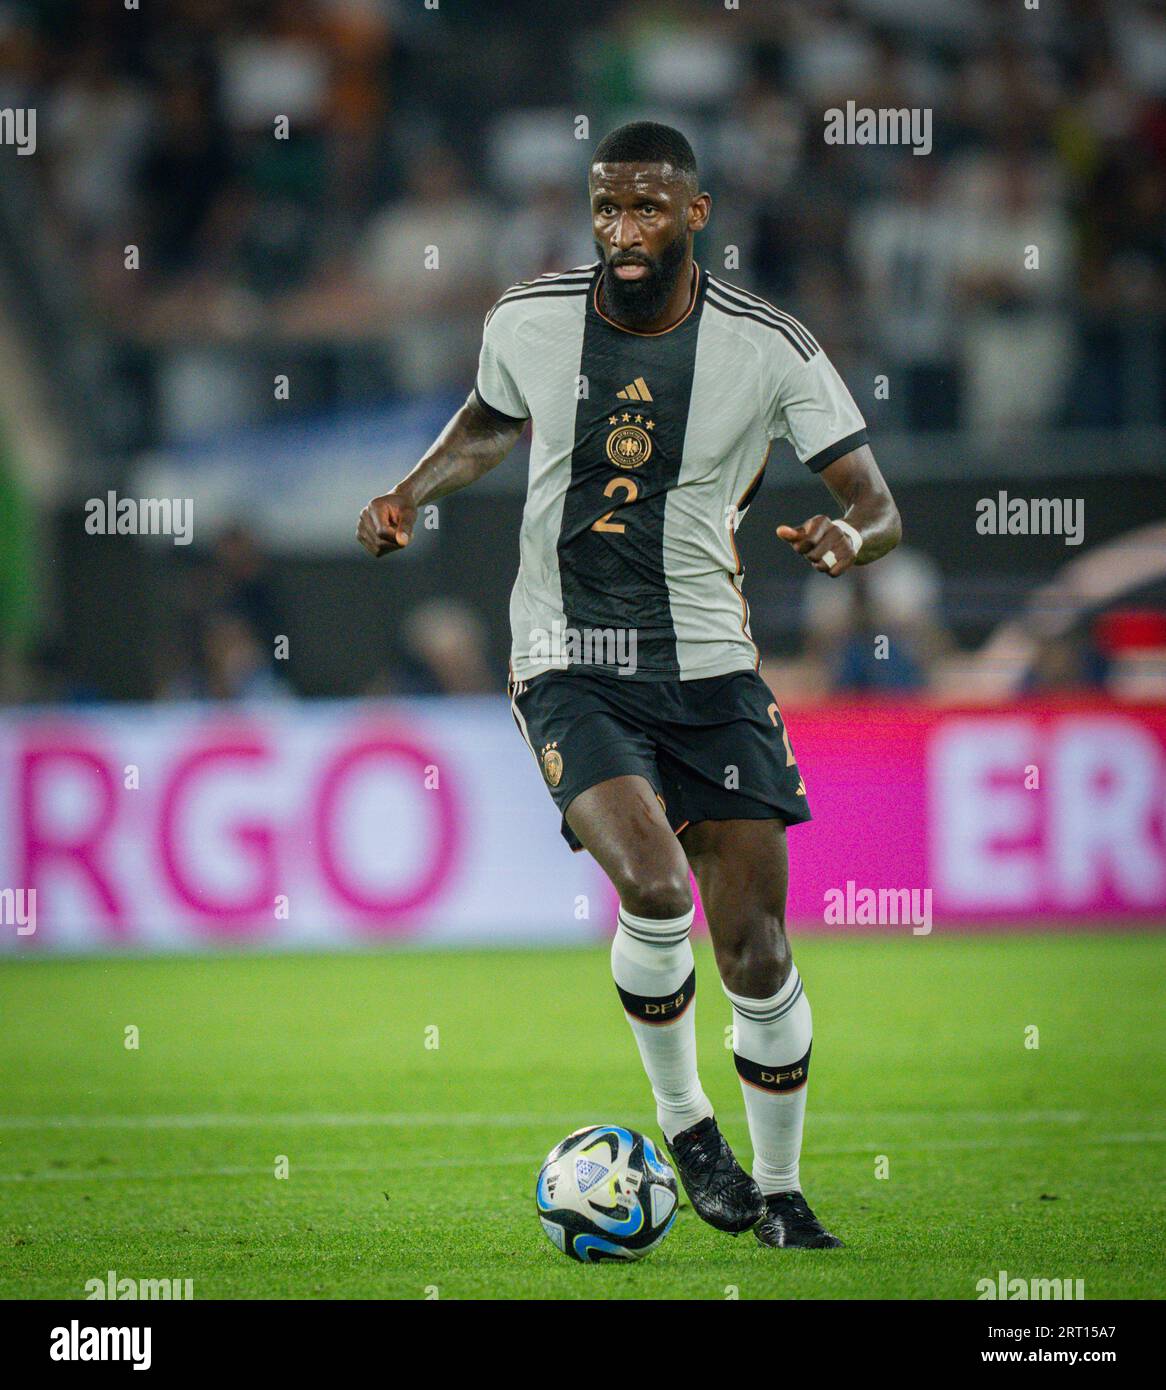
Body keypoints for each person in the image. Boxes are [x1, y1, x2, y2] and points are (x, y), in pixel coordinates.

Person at [357, 122, 901, 1249]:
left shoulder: (772, 347)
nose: (622, 230)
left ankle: (783, 1189)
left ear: (695, 215)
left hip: (710, 665)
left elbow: (876, 501)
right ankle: (683, 1121)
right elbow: (489, 421)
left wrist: (851, 543)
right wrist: (411, 488)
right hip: (568, 657)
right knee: (654, 889)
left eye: (646, 208)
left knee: (755, 946)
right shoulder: (529, 317)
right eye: (606, 208)